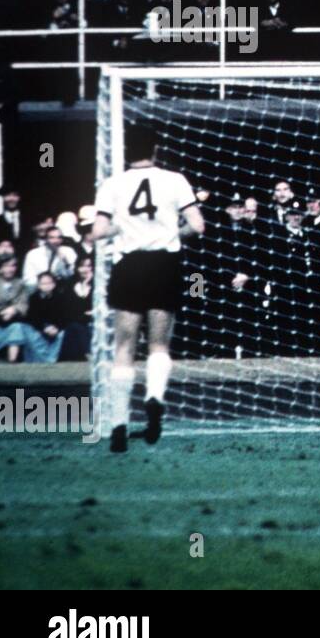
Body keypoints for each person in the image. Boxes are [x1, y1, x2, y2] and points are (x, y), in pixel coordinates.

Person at [88, 125, 206, 452]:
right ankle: (154, 398)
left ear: (126, 149)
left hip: (130, 265)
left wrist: (119, 229)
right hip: (164, 263)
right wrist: (169, 232)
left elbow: (99, 230)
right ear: (155, 149)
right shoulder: (175, 180)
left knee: (124, 347)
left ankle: (118, 424)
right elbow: (198, 225)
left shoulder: (112, 184)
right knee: (158, 345)